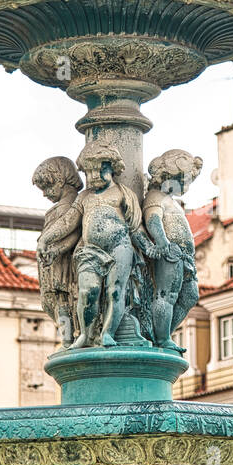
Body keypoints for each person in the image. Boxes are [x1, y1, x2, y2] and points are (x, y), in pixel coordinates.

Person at [67, 140, 141, 348]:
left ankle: (108, 332)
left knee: (115, 290)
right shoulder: (84, 197)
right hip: (90, 251)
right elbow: (68, 223)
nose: (93, 177)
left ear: (112, 167)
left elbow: (135, 227)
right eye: (88, 173)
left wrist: (151, 246)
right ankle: (86, 334)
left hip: (120, 246)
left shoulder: (124, 193)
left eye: (99, 170)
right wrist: (48, 240)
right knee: (88, 290)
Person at [138, 149, 203, 351]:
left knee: (190, 295)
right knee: (166, 295)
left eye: (188, 181)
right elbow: (153, 218)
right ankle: (162, 337)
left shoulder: (170, 199)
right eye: (182, 180)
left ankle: (165, 332)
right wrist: (162, 241)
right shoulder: (155, 196)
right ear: (167, 176)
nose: (185, 186)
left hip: (184, 255)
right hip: (170, 252)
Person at [32, 156, 84, 347]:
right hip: (52, 263)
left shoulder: (71, 205)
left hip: (61, 264)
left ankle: (68, 340)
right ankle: (68, 338)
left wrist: (56, 250)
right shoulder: (64, 205)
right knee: (54, 303)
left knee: (62, 302)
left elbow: (73, 232)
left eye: (47, 187)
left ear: (60, 180)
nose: (45, 194)